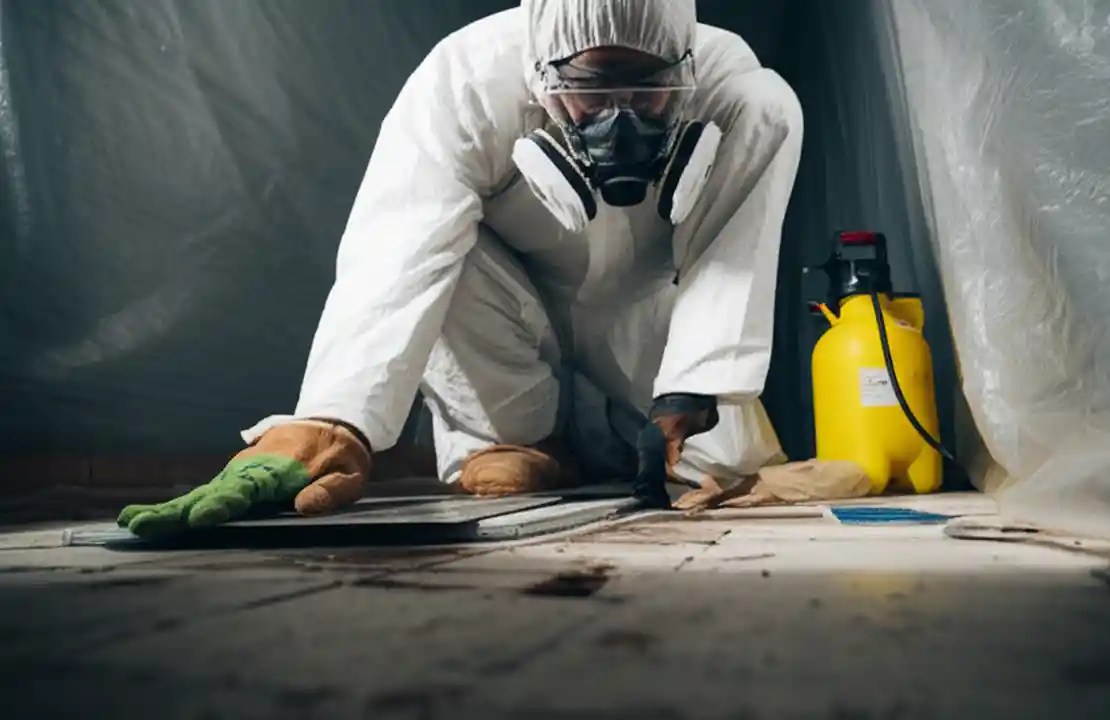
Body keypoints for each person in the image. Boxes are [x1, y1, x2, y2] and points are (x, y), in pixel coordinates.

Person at [116, 0, 804, 537]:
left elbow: (729, 254)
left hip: (653, 302)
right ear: (542, 70)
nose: (620, 118)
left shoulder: (733, 90)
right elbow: (399, 245)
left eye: (648, 87)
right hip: (507, 292)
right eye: (592, 90)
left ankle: (644, 425)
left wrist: (691, 391)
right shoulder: (467, 81)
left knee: (723, 471)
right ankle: (514, 441)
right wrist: (335, 419)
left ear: (682, 64)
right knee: (448, 250)